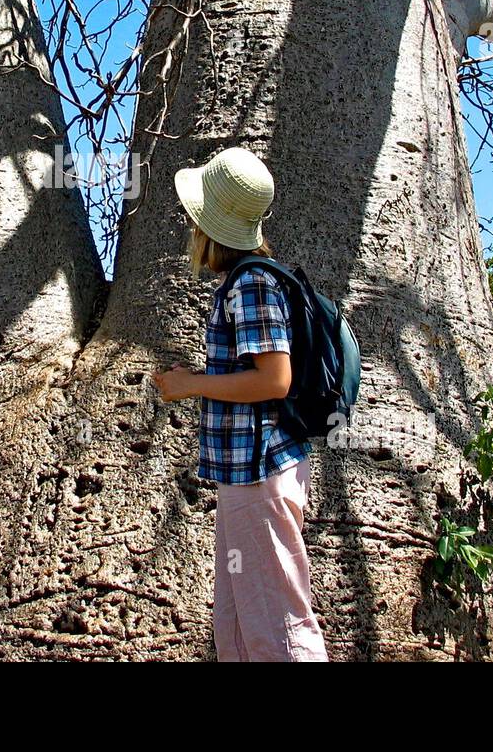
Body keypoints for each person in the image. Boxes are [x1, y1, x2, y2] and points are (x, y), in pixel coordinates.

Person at [151, 146, 328, 662]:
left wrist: (192, 385)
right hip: (249, 473)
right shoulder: (247, 281)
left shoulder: (251, 283)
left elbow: (274, 379)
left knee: (279, 628)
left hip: (259, 472)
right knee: (238, 625)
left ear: (209, 225)